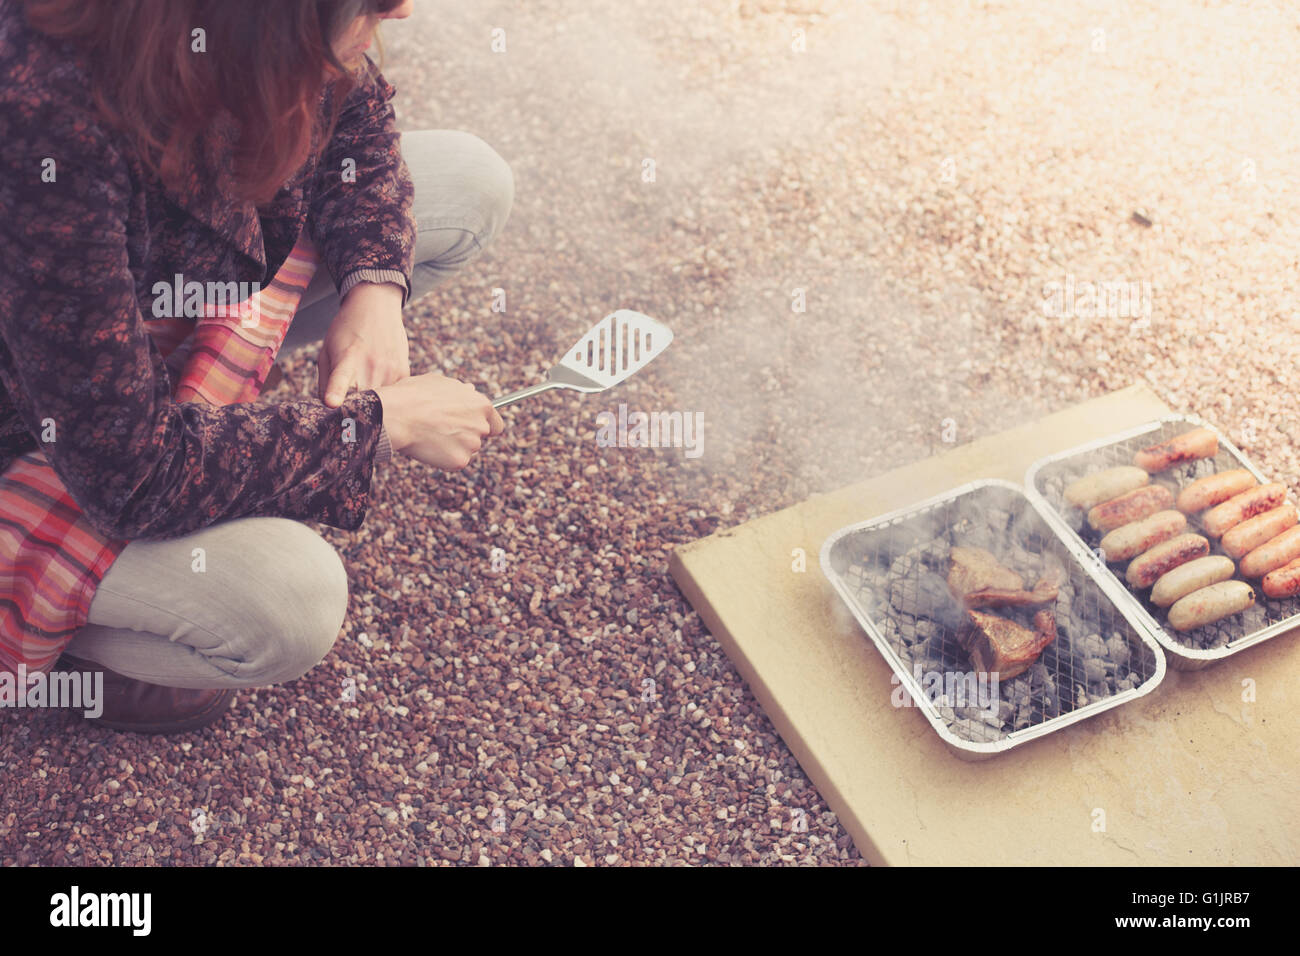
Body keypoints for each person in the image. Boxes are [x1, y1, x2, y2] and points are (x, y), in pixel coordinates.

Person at [0, 0, 511, 733]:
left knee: (469, 179)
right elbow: (132, 472)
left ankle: (211, 416)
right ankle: (75, 645)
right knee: (290, 604)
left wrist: (373, 287)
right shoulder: (40, 123)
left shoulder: (233, 26)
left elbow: (355, 119)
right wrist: (373, 430)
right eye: (368, 4)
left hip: (135, 314)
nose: (400, 11)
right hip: (32, 426)